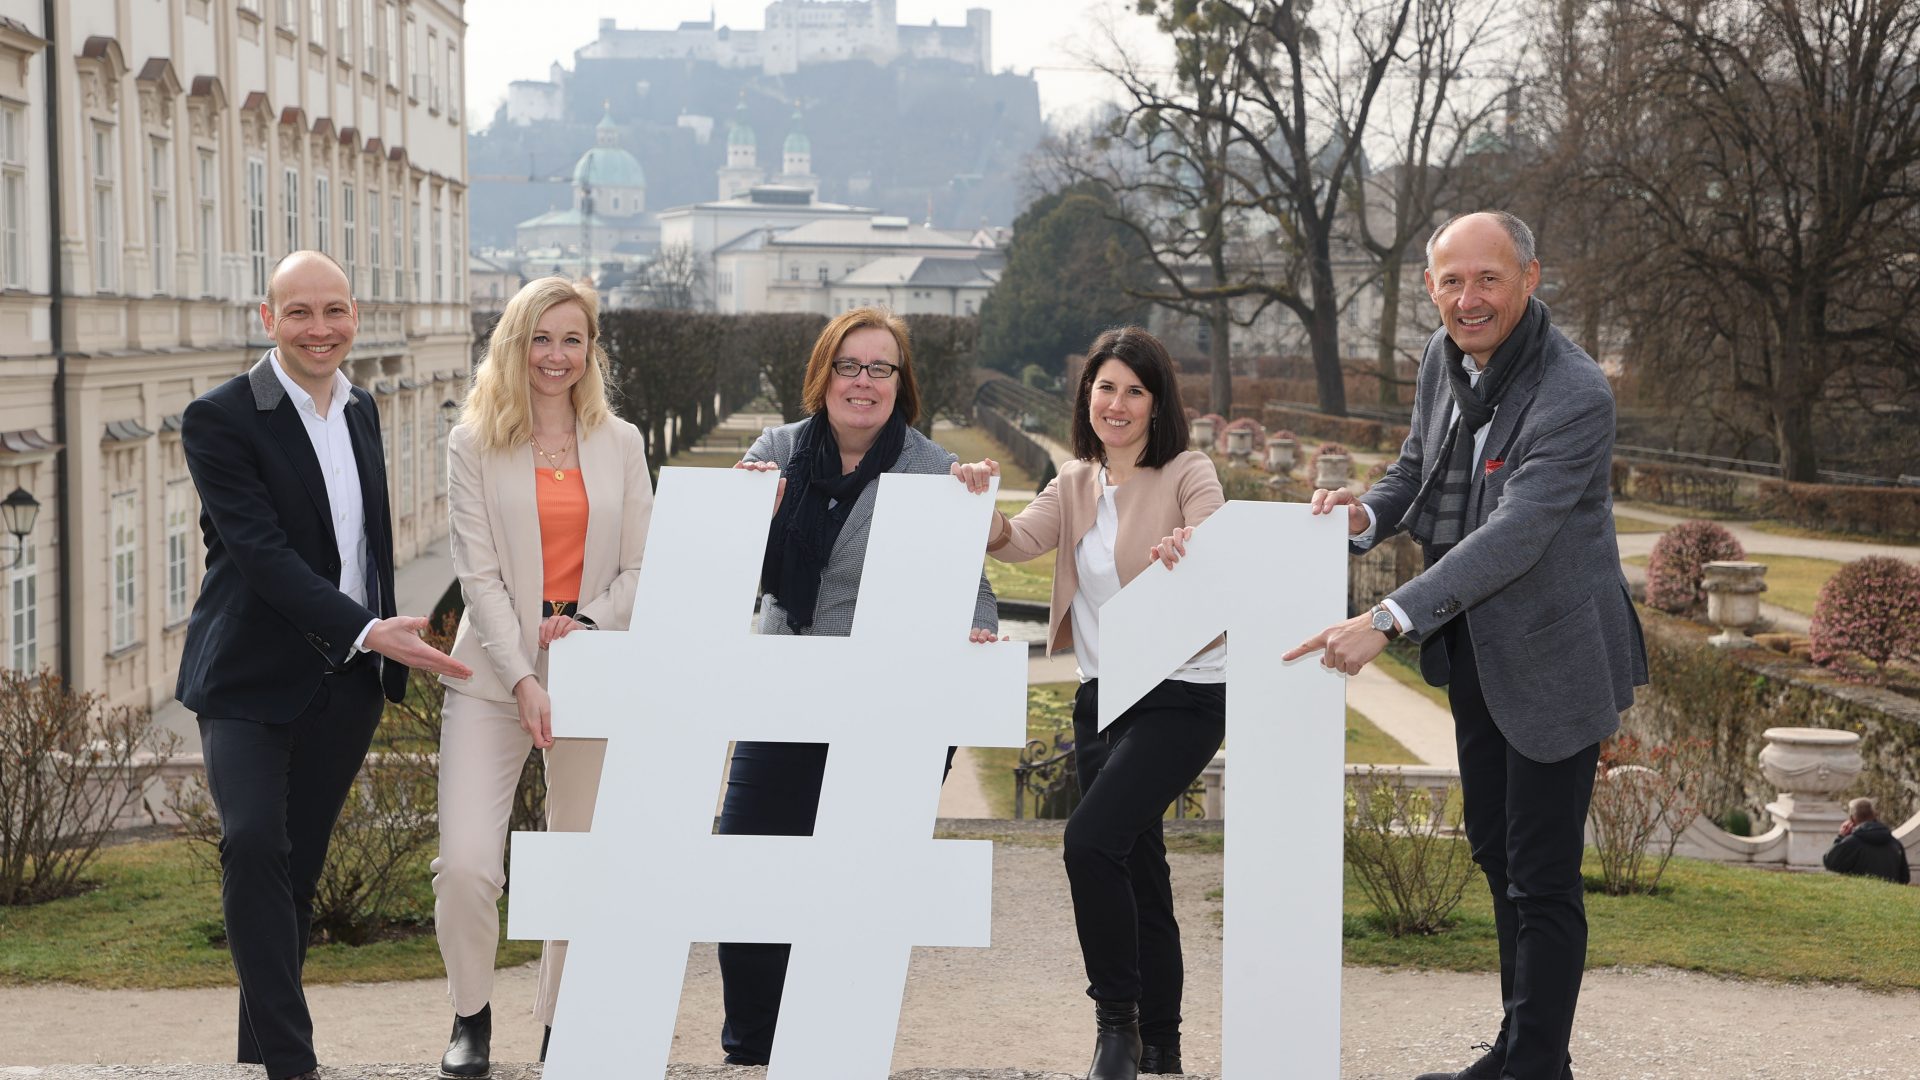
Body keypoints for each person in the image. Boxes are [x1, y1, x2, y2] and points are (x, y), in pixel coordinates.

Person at [1285, 211, 1648, 1080]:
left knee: (1544, 875)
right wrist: (1364, 513)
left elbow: (1516, 533)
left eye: (1488, 278)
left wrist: (1387, 618)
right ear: (1430, 287)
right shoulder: (1443, 363)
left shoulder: (1575, 392)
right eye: (1452, 281)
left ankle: (1534, 1065)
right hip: (1481, 650)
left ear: (1530, 277)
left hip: (1557, 655)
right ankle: (1521, 1051)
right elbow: (1417, 467)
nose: (1468, 298)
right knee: (1495, 850)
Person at [176, 251, 472, 1080]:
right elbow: (263, 557)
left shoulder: (362, 408)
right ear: (267, 319)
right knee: (252, 844)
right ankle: (292, 1064)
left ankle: (256, 1046)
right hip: (246, 676)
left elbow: (363, 542)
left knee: (296, 868)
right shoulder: (222, 417)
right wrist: (371, 628)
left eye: (335, 311)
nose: (320, 329)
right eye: (299, 312)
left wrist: (373, 640)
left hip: (345, 685)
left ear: (355, 316)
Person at [719, 306, 999, 1066]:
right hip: (782, 691)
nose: (864, 382)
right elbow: (727, 572)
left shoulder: (935, 469)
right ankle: (753, 1045)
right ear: (823, 373)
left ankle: (836, 1042)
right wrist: (741, 516)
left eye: (882, 368)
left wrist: (976, 633)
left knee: (860, 884)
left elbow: (967, 581)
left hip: (889, 709)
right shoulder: (774, 451)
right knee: (744, 863)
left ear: (901, 384)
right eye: (850, 365)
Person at [953, 326, 1224, 1080]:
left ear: (1157, 402)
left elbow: (1217, 543)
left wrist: (1190, 551)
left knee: (1088, 841)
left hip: (1181, 695)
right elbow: (1016, 540)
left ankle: (1116, 1027)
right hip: (1103, 701)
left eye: (1135, 390)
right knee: (1141, 869)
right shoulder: (1074, 480)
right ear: (1087, 397)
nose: (1118, 402)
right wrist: (981, 504)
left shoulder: (1188, 470)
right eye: (1106, 387)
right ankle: (1164, 1047)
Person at [431, 277, 654, 1076]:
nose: (556, 356)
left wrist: (588, 623)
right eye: (541, 338)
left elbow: (641, 566)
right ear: (514, 342)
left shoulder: (620, 442)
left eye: (573, 339)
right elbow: (478, 576)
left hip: (593, 670)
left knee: (579, 859)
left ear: (591, 350)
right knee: (465, 864)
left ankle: (564, 1022)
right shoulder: (473, 442)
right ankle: (470, 1017)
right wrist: (525, 675)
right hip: (492, 677)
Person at [1823, 798, 1911, 884]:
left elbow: (1830, 862)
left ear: (1852, 819)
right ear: (1875, 815)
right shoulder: (1895, 844)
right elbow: (1904, 878)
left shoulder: (1851, 843)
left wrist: (1841, 837)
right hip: (1890, 895)